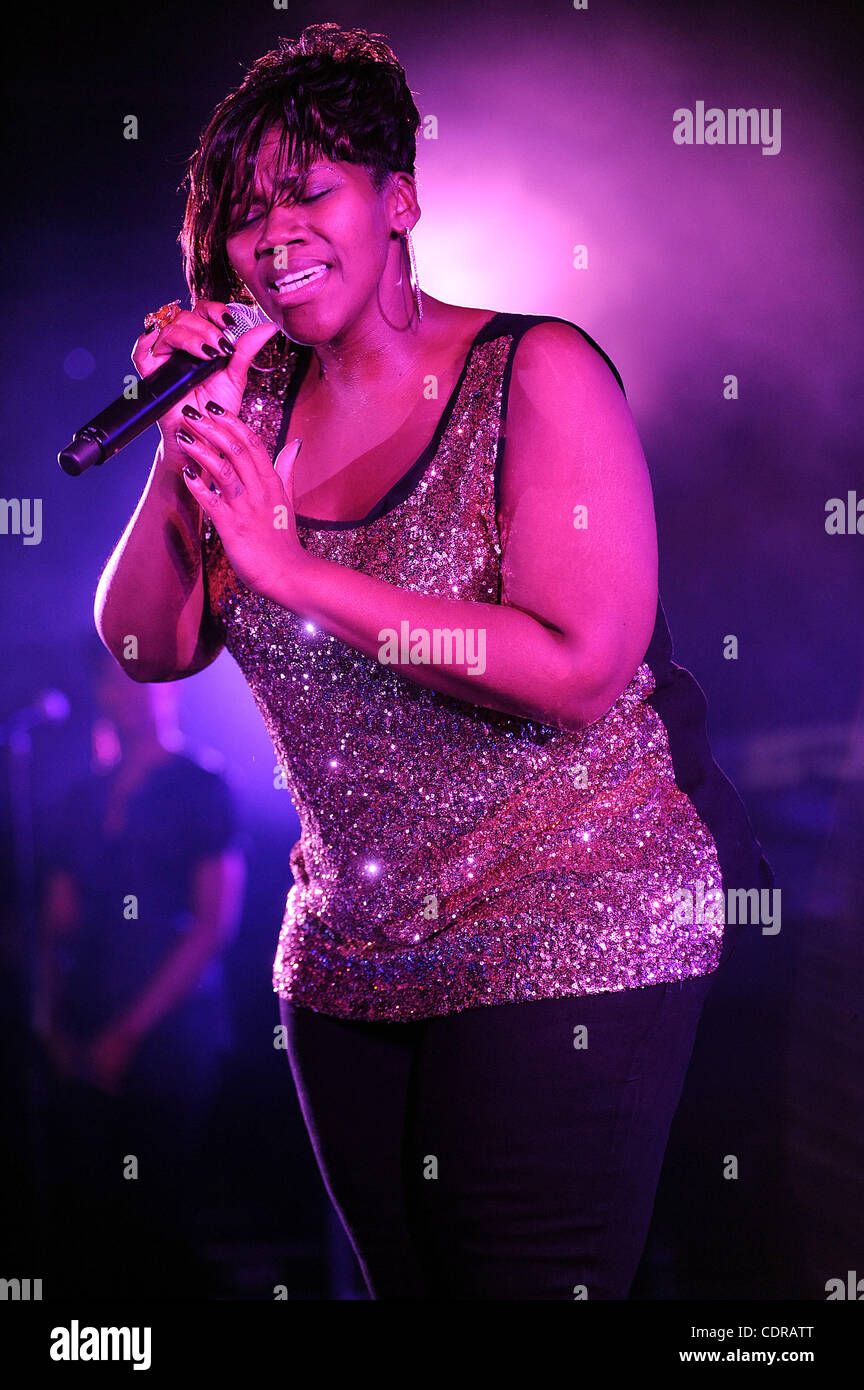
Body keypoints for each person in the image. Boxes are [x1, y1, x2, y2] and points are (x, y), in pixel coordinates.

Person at [94, 22, 772, 1300]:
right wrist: (189, 436)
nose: (271, 233)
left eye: (307, 192)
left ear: (398, 198)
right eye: (246, 215)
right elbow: (145, 643)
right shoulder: (255, 407)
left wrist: (292, 569)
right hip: (352, 957)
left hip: (567, 921)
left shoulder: (537, 370)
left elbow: (579, 665)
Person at [37, 641, 244, 1297]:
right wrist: (50, 1022)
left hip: (170, 1031)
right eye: (110, 682)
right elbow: (55, 921)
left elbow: (213, 924)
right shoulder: (80, 798)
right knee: (91, 1219)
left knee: (159, 1210)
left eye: (134, 681)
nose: (121, 694)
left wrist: (130, 1032)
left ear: (167, 688)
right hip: (84, 1024)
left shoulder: (200, 785)